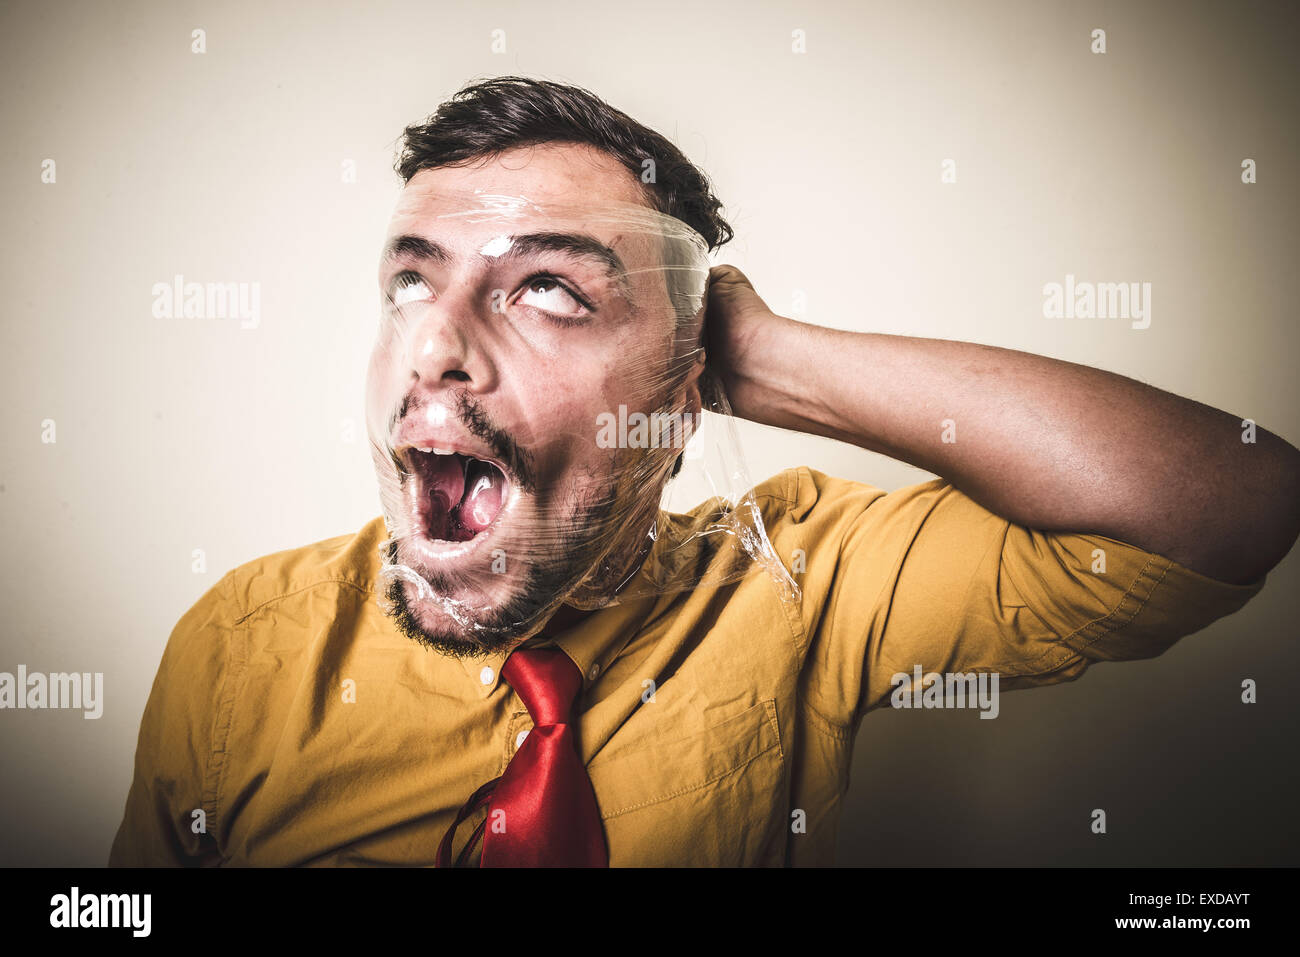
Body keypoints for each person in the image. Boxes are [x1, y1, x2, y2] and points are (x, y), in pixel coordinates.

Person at [109, 76, 1300, 867]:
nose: (433, 348)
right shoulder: (238, 647)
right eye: (411, 282)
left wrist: (761, 355)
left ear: (684, 397)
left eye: (548, 289)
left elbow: (1227, 500)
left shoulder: (797, 581)